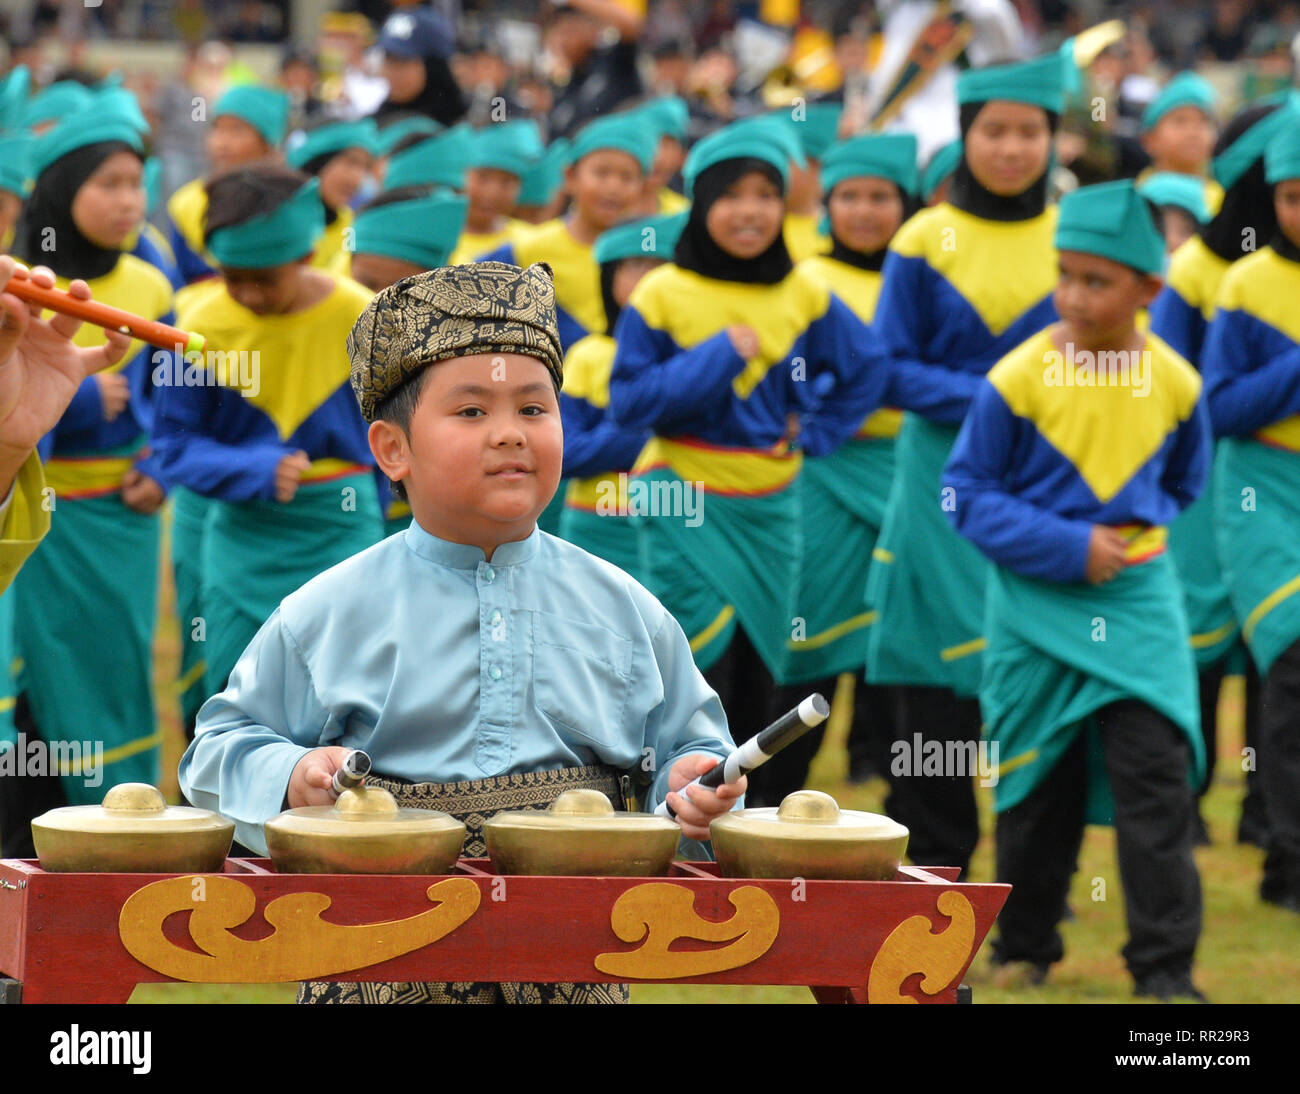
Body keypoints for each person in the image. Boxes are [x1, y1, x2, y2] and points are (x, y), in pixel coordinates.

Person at [178, 260, 744, 1004]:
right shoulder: (327, 610)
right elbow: (217, 748)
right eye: (472, 412)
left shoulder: (628, 607)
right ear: (391, 450)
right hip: (375, 960)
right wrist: (292, 776)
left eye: (535, 410)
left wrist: (694, 783)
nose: (510, 434)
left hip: (578, 961)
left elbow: (698, 750)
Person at [944, 179, 1210, 1001]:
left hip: (1138, 603)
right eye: (1065, 276)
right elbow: (963, 495)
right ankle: (1026, 946)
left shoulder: (1178, 383)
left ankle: (1165, 972)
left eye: (1097, 281)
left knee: (1156, 778)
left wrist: (1120, 546)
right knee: (1034, 779)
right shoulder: (1017, 377)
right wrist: (1067, 544)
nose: (1074, 296)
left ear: (1149, 290)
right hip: (1033, 607)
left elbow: (1187, 481)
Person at [607, 121, 890, 806]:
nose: (750, 210)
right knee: (694, 666)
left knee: (764, 670)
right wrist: (717, 358)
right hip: (683, 500)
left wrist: (816, 433)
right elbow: (630, 402)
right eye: (731, 195)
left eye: (766, 193)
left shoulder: (802, 293)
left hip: (774, 504)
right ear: (702, 204)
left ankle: (739, 827)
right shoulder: (663, 292)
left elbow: (867, 366)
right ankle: (667, 818)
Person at [864, 53, 1063, 878]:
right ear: (966, 136)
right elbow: (888, 369)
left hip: (1051, 477)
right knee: (934, 678)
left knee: (1037, 669)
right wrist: (1001, 391)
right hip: (941, 480)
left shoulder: (1078, 233)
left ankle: (1033, 883)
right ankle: (935, 864)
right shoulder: (921, 238)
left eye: (1030, 131)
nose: (1012, 148)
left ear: (1053, 138)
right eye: (995, 131)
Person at [5, 106, 175, 842]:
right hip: (27, 514)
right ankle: (23, 835)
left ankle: (110, 836)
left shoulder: (152, 280)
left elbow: (180, 399)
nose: (128, 201)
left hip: (119, 519)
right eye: (107, 183)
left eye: (137, 183)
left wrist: (161, 467)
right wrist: (69, 409)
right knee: (31, 680)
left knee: (111, 670)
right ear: (64, 188)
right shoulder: (23, 284)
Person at [152, 165, 380, 702]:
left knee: (342, 692)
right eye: (233, 278)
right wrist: (253, 469)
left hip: (341, 528)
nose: (248, 296)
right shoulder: (198, 325)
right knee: (237, 691)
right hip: (240, 536)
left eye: (265, 278)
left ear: (304, 256)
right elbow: (173, 446)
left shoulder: (361, 316)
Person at [1148, 96, 1300, 850]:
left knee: (1276, 652)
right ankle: (1191, 796)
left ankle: (1266, 812)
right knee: (1204, 640)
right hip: (1213, 483)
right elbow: (1182, 390)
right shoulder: (1205, 269)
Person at [779, 133, 917, 787]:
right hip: (826, 473)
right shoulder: (807, 278)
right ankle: (778, 780)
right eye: (850, 196)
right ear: (828, 204)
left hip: (909, 468)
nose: (865, 210)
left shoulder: (918, 275)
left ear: (904, 203)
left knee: (902, 620)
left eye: (881, 197)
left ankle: (893, 776)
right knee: (813, 620)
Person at [1202, 120, 1300, 914]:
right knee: (1292, 663)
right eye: (1297, 199)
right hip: (1264, 491)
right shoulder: (1245, 285)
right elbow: (1221, 407)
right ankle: (1287, 861)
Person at [559, 210, 685, 580]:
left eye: (662, 265)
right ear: (608, 276)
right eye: (635, 266)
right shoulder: (588, 355)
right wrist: (653, 431)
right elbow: (565, 452)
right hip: (595, 522)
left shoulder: (697, 351)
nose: (648, 278)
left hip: (681, 517)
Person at [350, 186, 470, 537]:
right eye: (366, 284)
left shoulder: (467, 352)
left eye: (399, 288)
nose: (378, 303)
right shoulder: (329, 331)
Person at [165, 84, 291, 285]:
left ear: (267, 143)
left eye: (237, 130)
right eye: (217, 128)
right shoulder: (186, 203)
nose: (221, 142)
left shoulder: (289, 203)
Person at [284, 117, 379, 277]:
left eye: (365, 167)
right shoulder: (274, 222)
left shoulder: (354, 231)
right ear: (316, 161)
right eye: (350, 162)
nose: (357, 179)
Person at [447, 121, 544, 265]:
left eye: (507, 181)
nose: (492, 193)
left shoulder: (531, 243)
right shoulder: (435, 239)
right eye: (483, 177)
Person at [546, 0, 646, 138]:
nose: (565, 40)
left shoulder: (614, 61)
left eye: (571, 30)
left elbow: (631, 25)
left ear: (594, 29)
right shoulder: (563, 85)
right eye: (560, 31)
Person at [1138, 71, 1222, 216]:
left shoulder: (1227, 203)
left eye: (1204, 121)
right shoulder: (1138, 201)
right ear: (1150, 140)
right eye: (1180, 121)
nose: (1193, 132)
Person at [371, 6, 467, 129]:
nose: (389, 73)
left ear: (433, 67)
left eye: (401, 62)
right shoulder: (378, 122)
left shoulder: (458, 130)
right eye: (387, 61)